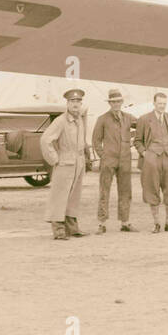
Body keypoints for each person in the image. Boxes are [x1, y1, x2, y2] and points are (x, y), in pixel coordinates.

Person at [39, 88, 92, 241]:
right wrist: (55, 159)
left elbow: (81, 141)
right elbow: (46, 140)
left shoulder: (80, 119)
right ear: (67, 104)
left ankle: (72, 228)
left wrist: (85, 159)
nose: (76, 104)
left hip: (78, 163)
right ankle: (59, 230)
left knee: (74, 196)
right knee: (59, 196)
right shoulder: (61, 121)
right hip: (64, 162)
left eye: (78, 101)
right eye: (73, 101)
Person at [135, 92, 168, 232]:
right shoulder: (144, 119)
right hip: (152, 159)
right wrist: (145, 154)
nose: (162, 106)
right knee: (152, 189)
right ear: (154, 103)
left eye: (164, 104)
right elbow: (137, 141)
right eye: (159, 103)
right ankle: (156, 222)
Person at [92, 88, 137, 233]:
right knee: (104, 190)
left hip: (125, 160)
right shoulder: (102, 119)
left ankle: (125, 222)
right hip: (108, 160)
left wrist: (135, 139)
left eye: (118, 101)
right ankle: (102, 223)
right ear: (110, 103)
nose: (116, 104)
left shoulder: (128, 118)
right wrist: (103, 156)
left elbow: (143, 127)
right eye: (113, 102)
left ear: (122, 102)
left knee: (125, 191)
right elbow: (96, 140)